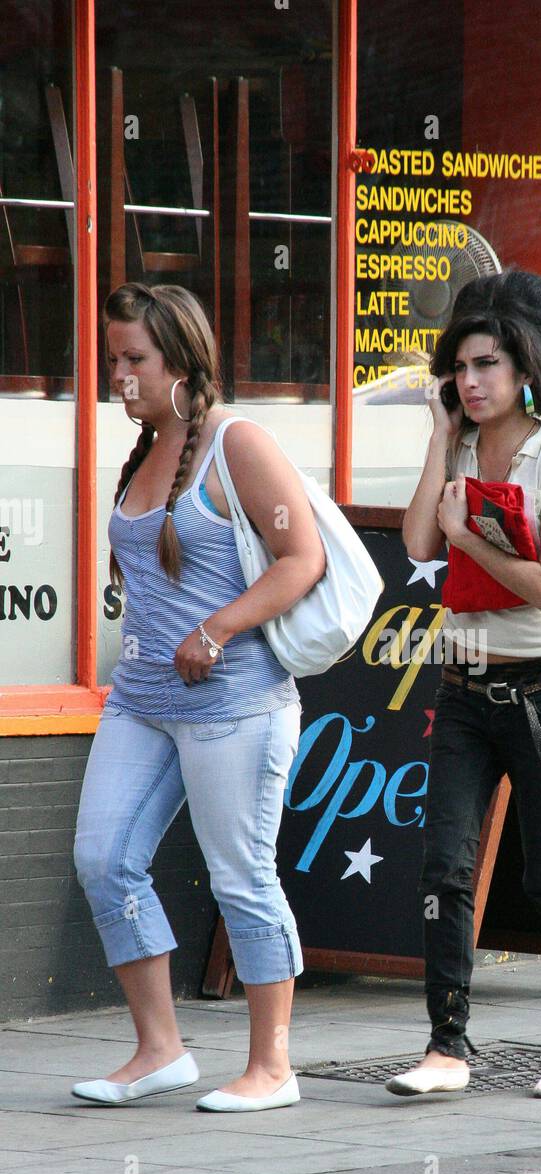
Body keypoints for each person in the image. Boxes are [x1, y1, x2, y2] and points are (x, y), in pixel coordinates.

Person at [71, 282, 325, 1113]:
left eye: (134, 359)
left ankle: (273, 1067)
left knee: (242, 876)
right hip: (142, 701)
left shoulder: (235, 442)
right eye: (113, 359)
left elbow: (303, 558)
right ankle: (160, 1050)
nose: (120, 375)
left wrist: (215, 630)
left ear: (180, 360)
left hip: (236, 705)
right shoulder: (147, 447)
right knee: (105, 860)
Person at [387, 269, 541, 1100]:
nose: (470, 383)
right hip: (464, 690)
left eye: (485, 367)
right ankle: (447, 1049)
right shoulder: (462, 447)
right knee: (444, 868)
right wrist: (440, 442)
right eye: (459, 370)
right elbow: (415, 545)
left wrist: (466, 539)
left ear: (524, 371)